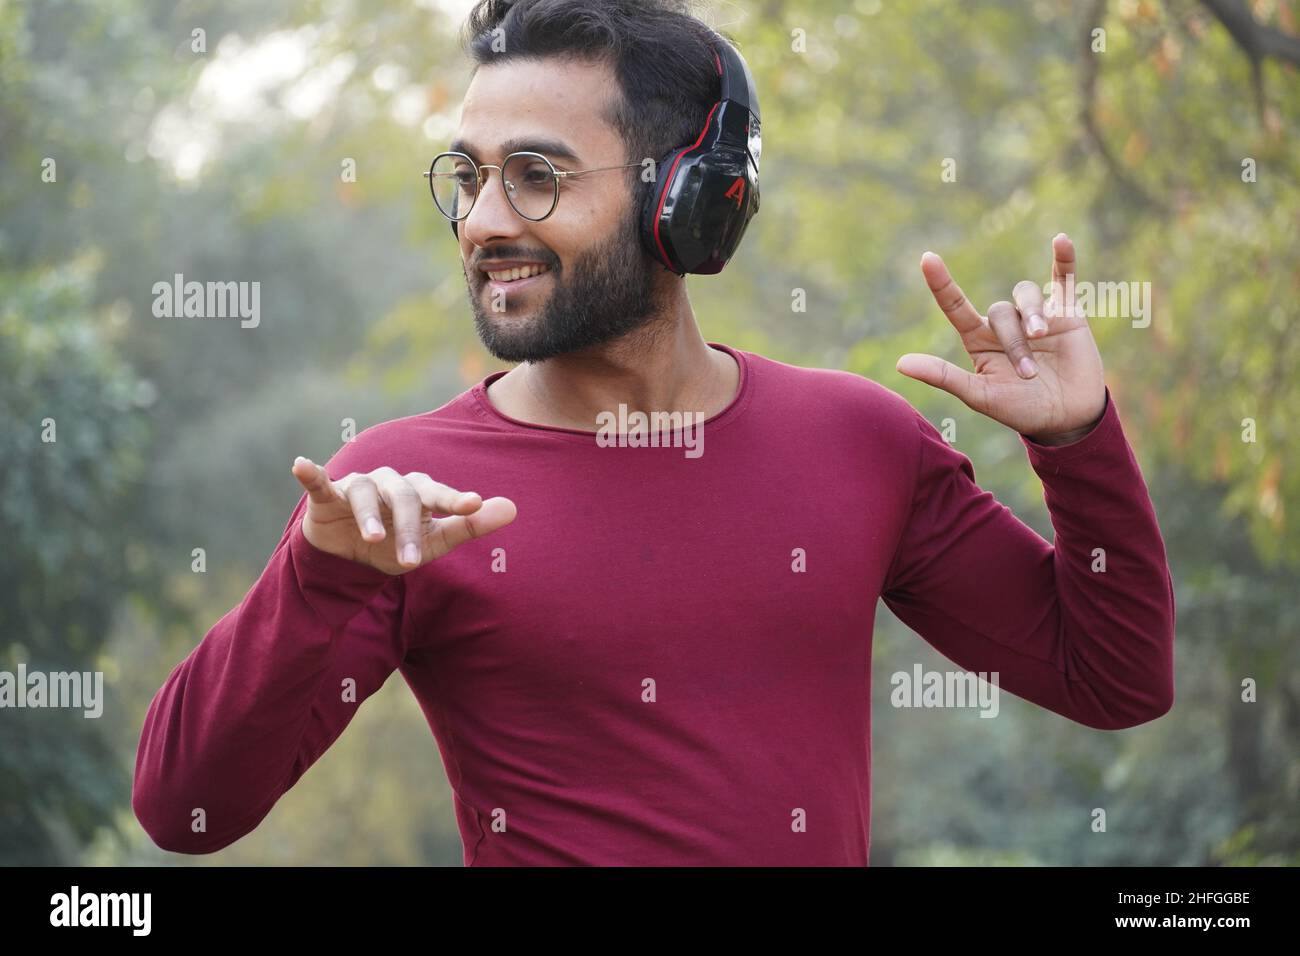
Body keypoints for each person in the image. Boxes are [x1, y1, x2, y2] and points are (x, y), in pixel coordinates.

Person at [132, 0, 1175, 866]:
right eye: (468, 176)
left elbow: (1115, 677)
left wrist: (1078, 440)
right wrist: (317, 579)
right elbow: (187, 809)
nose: (487, 220)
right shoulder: (397, 496)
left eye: (536, 175)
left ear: (689, 198)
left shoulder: (859, 439)